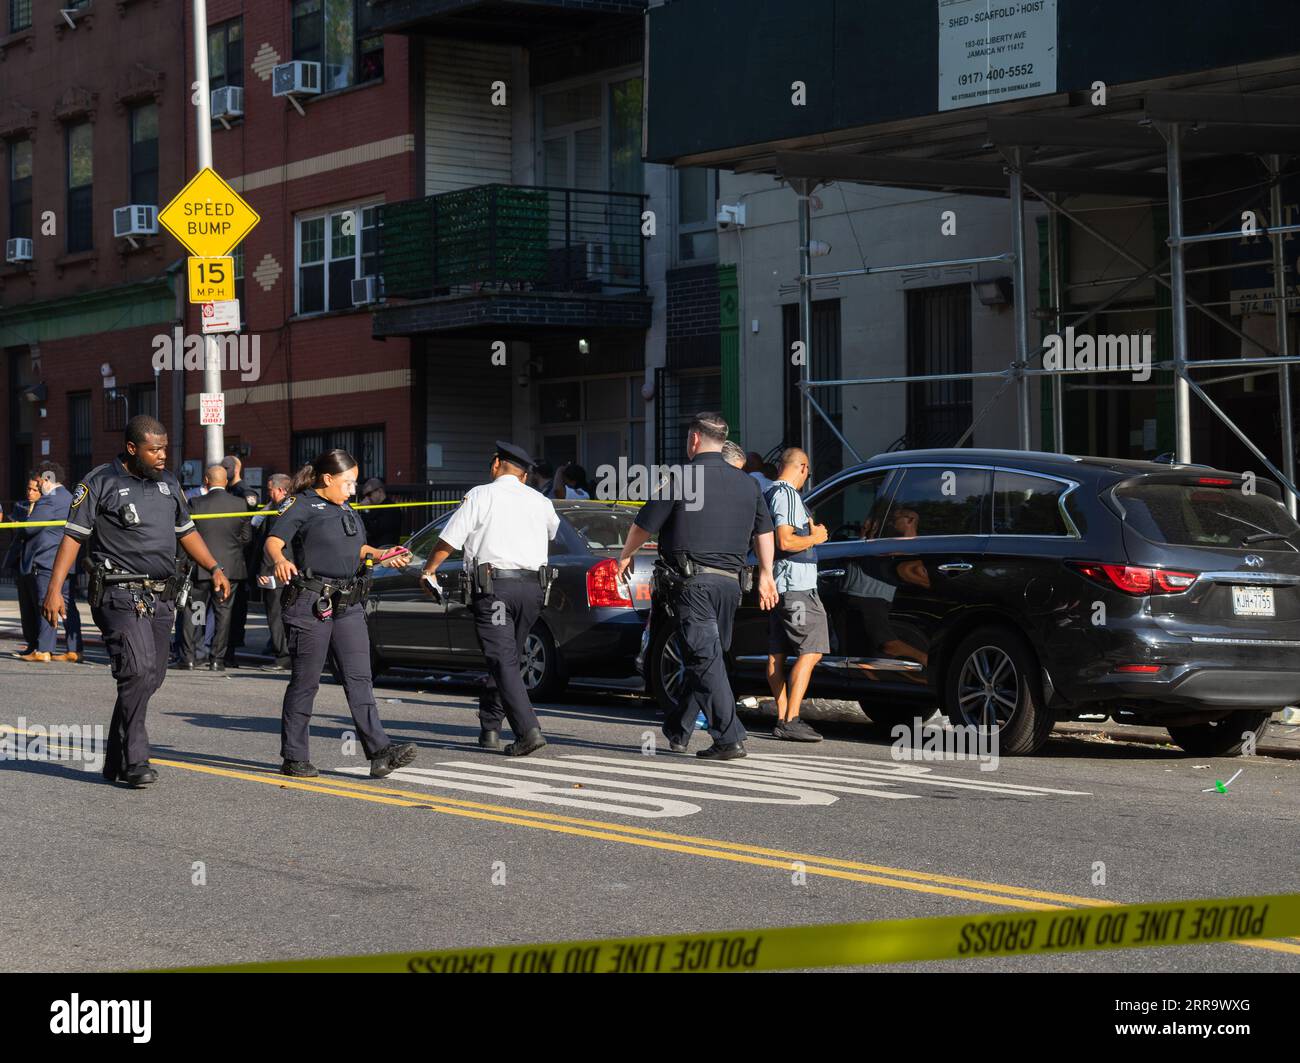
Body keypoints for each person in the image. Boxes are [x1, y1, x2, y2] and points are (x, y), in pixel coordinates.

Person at [41, 415, 232, 788]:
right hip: (119, 593)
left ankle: (114, 759)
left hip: (161, 596)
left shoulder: (169, 484)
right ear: (132, 449)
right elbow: (73, 537)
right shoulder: (100, 482)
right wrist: (53, 589)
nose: (162, 455)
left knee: (150, 676)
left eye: (164, 448)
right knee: (137, 671)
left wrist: (214, 566)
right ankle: (135, 761)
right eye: (154, 449)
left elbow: (186, 531)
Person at [616, 412, 778, 760]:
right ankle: (679, 728)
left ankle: (728, 737)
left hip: (694, 584)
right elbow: (765, 532)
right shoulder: (748, 483)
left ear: (693, 440)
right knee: (707, 655)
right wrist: (766, 574)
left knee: (704, 656)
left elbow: (643, 525)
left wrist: (625, 555)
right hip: (731, 586)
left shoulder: (681, 478)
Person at [263, 449, 417, 779]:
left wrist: (381, 553)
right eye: (347, 483)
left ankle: (379, 752)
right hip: (312, 602)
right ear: (328, 478)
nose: (352, 490)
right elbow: (274, 540)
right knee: (306, 682)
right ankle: (294, 756)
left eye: (355, 483)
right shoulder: (301, 504)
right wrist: (279, 559)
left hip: (347, 603)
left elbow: (357, 549)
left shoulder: (346, 507)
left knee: (360, 678)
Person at [421, 441, 560, 757]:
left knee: (503, 658)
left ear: (496, 464)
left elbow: (450, 537)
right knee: (506, 657)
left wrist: (429, 569)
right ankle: (490, 727)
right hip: (532, 590)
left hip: (496, 589)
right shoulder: (541, 501)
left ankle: (528, 731)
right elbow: (552, 532)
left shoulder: (481, 495)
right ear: (524, 476)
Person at [763, 448, 829, 742]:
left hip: (779, 584)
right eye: (808, 472)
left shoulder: (767, 493)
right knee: (810, 650)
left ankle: (781, 718)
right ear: (802, 467)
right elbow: (786, 540)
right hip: (797, 587)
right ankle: (791, 719)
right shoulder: (787, 495)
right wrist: (816, 537)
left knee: (777, 654)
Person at [177, 464, 251, 671]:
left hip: (200, 567)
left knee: (196, 611)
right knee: (223, 613)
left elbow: (185, 536)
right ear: (226, 482)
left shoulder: (195, 503)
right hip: (230, 568)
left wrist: (184, 563)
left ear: (206, 481)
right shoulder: (240, 504)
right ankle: (217, 660)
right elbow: (246, 537)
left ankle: (190, 657)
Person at [19, 464, 83, 663]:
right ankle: (74, 650)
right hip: (67, 560)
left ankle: (43, 650)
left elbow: (29, 529)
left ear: (47, 480)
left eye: (39, 482)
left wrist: (22, 522)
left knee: (46, 603)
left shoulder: (49, 501)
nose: (38, 486)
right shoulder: (71, 498)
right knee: (69, 605)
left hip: (47, 560)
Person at [253, 472, 293, 671]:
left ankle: (282, 655)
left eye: (270, 490)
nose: (268, 494)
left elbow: (270, 543)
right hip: (289, 568)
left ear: (280, 490)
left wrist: (265, 570)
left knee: (275, 613)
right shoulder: (293, 507)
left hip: (276, 570)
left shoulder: (278, 511)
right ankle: (283, 650)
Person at [6, 476, 42, 656]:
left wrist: (22, 526)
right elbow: (15, 527)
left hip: (37, 563)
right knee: (25, 607)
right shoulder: (20, 506)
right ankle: (30, 642)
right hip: (20, 561)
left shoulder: (45, 508)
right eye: (29, 489)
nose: (30, 493)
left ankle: (41, 645)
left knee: (38, 605)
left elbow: (30, 531)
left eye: (35, 490)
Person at [358, 477, 402, 547]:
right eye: (365, 496)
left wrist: (365, 510)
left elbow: (376, 530)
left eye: (369, 494)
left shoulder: (391, 508)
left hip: (385, 548)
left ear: (379, 491)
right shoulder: (374, 507)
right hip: (374, 547)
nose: (367, 498)